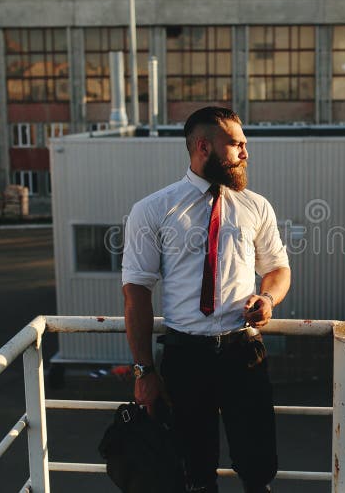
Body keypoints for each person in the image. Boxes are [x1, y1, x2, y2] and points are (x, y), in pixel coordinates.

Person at [122, 106, 291, 493]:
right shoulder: (153, 210)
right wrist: (143, 371)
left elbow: (279, 269)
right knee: (194, 473)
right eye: (235, 144)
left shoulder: (256, 206)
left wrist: (268, 298)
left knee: (259, 468)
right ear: (203, 147)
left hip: (244, 354)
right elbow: (135, 294)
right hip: (185, 359)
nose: (245, 153)